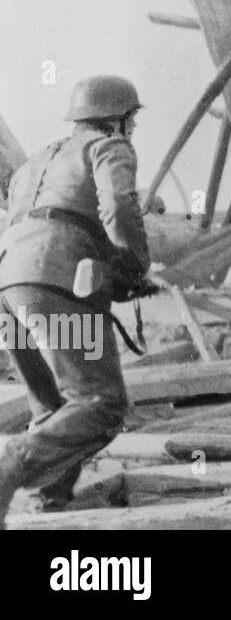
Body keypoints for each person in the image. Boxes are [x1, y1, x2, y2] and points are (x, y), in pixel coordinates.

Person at [0, 75, 151, 525]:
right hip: (57, 283)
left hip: (10, 287)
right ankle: (8, 466)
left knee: (52, 407)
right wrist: (135, 265)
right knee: (99, 404)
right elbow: (120, 205)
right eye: (132, 120)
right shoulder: (107, 147)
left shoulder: (37, 161)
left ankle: (47, 499)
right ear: (119, 119)